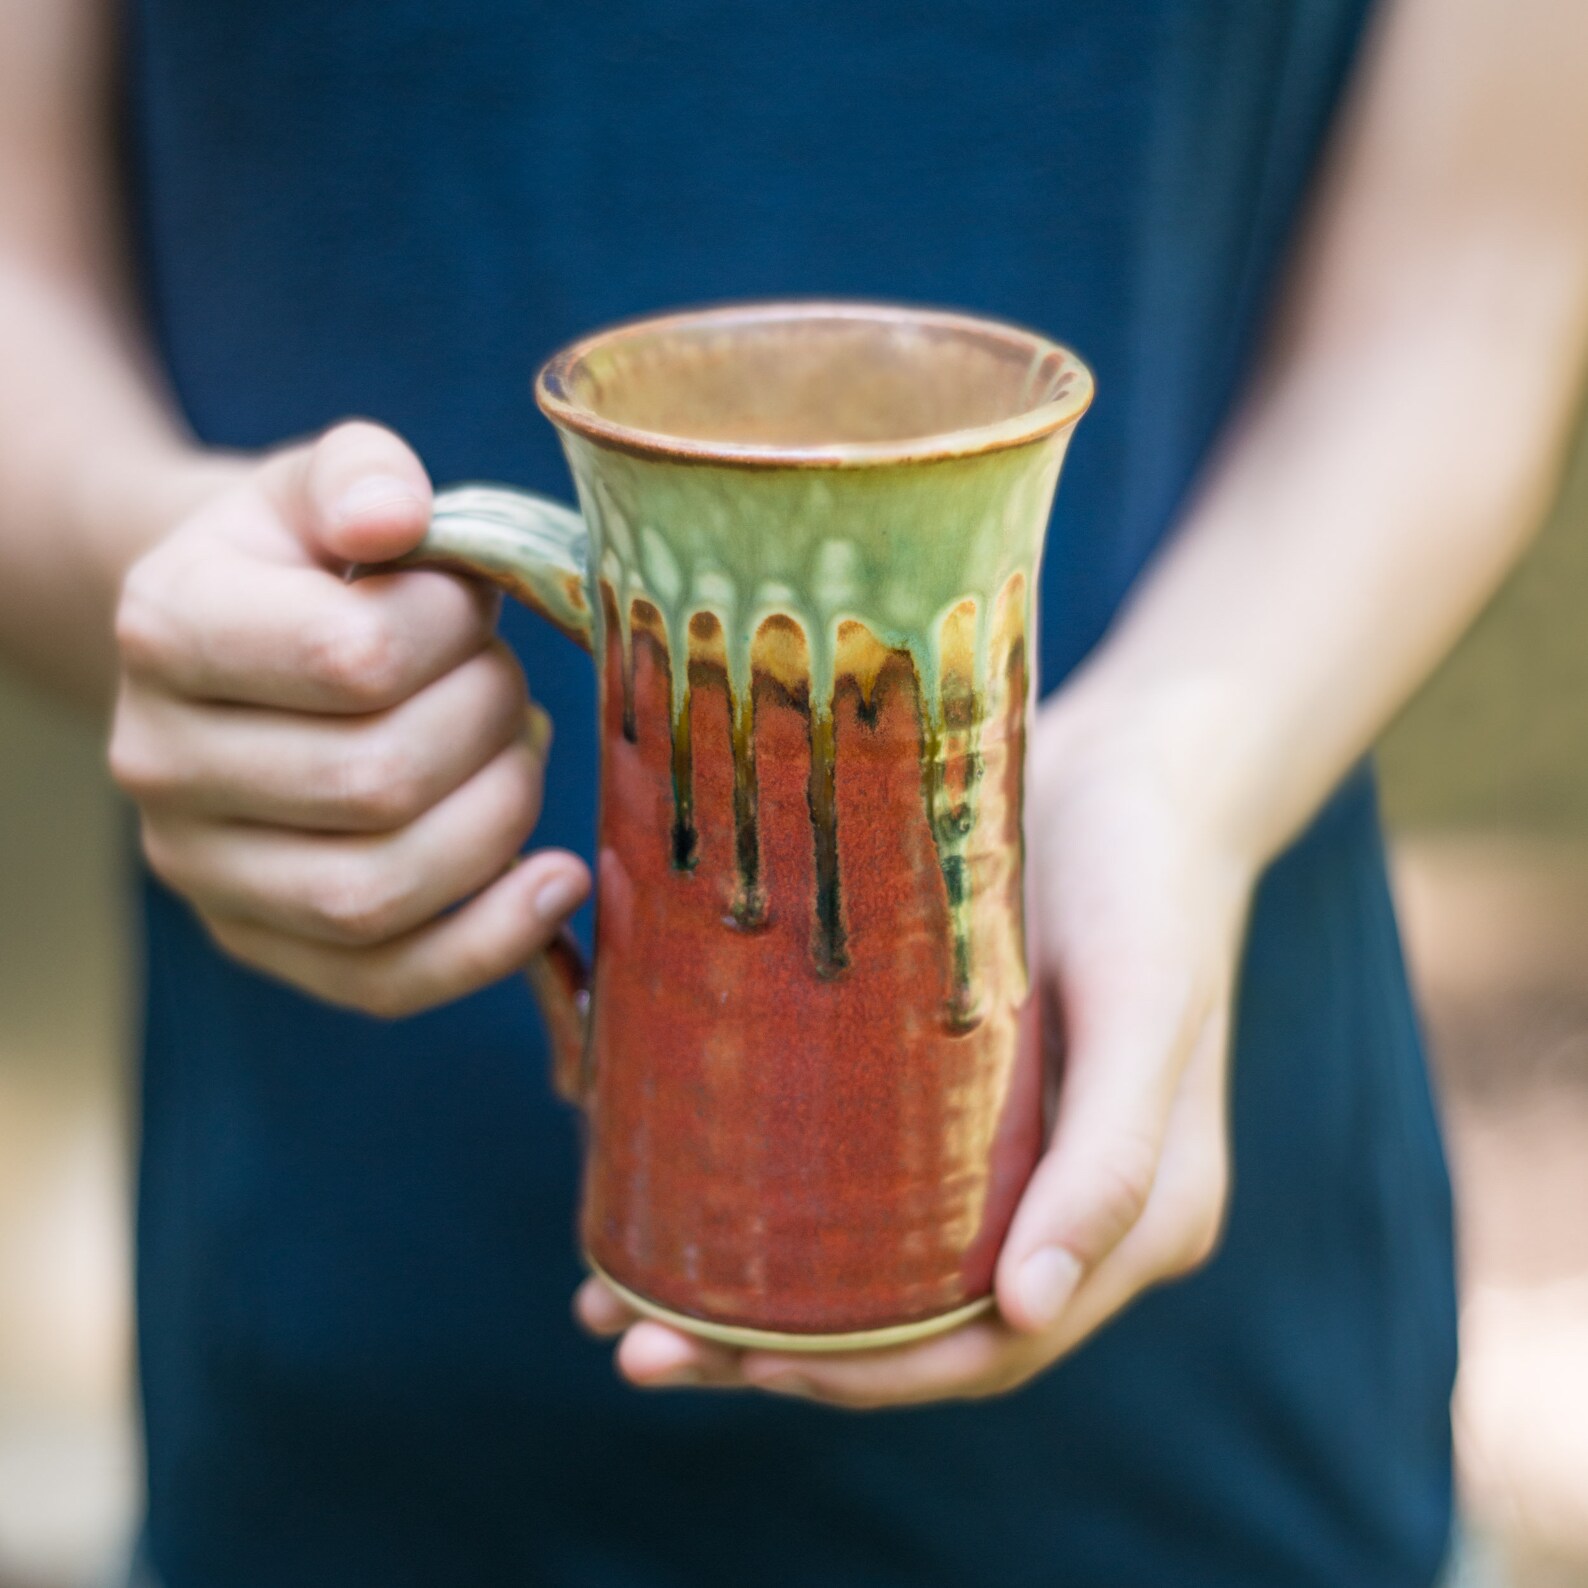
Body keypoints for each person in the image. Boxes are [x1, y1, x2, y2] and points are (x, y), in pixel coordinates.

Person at [2, 0, 1585, 1582]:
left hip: (1228, 1461)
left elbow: (1481, 287)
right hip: (335, 1427)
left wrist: (1190, 764)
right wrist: (158, 566)